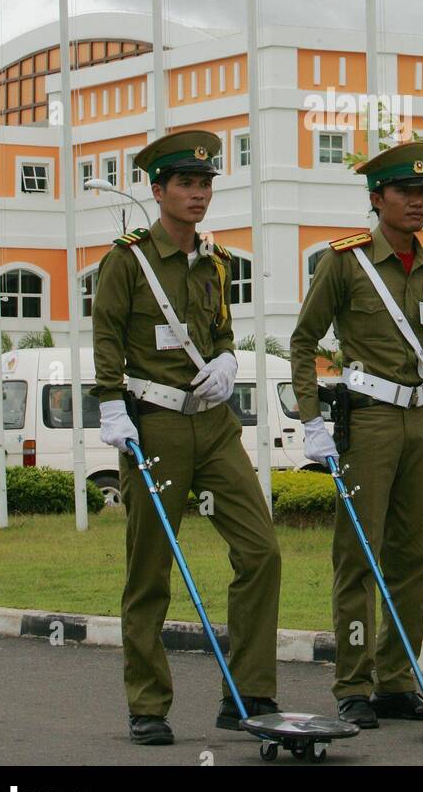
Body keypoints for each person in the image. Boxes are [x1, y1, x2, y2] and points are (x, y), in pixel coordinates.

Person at [91, 130, 281, 746]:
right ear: (159, 190)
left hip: (214, 424)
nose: (198, 194)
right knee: (149, 570)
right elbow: (107, 340)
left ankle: (247, 691)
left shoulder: (217, 262)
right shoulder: (127, 260)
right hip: (157, 426)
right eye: (186, 184)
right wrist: (111, 408)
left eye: (205, 184)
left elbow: (220, 334)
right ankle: (147, 702)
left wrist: (229, 361)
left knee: (261, 552)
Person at [290, 139, 423, 728]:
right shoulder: (344, 262)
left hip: (421, 422)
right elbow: (303, 340)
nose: (418, 202)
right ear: (378, 199)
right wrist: (311, 418)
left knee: (416, 556)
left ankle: (396, 681)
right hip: (367, 421)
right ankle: (352, 683)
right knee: (359, 556)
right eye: (406, 192)